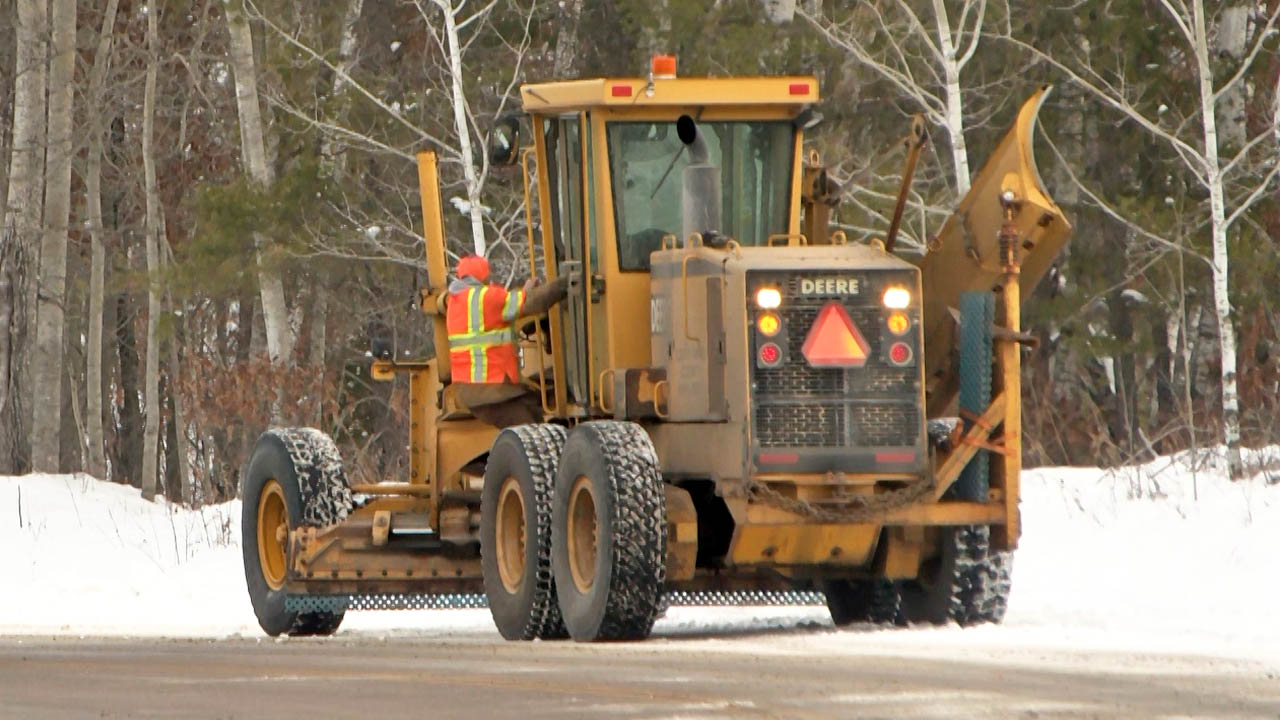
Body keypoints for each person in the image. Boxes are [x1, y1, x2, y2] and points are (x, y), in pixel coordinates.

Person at [446, 254, 569, 427]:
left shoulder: (455, 302)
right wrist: (565, 283)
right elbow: (530, 303)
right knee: (532, 434)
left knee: (531, 405)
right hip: (492, 390)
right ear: (483, 275)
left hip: (472, 392)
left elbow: (504, 307)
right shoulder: (486, 297)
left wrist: (524, 292)